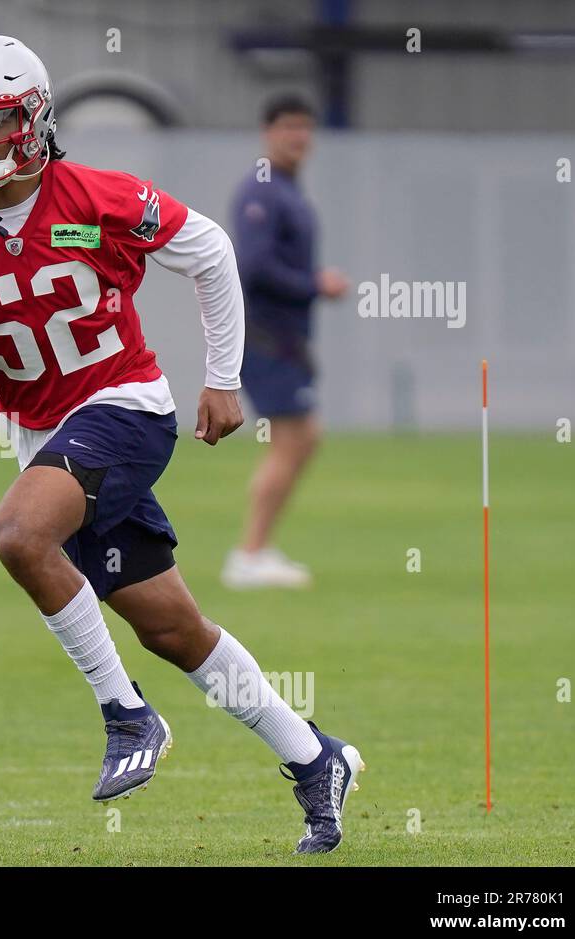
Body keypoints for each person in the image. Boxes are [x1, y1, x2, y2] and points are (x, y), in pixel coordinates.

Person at [0, 36, 362, 851]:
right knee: (171, 628)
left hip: (123, 406)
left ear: (34, 117)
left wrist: (222, 378)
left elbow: (213, 251)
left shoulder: (93, 196)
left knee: (18, 534)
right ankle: (315, 758)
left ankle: (127, 717)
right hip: (45, 437)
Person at [221, 94, 349, 590]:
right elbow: (253, 267)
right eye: (289, 126)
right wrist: (316, 284)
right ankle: (248, 555)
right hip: (265, 336)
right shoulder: (263, 191)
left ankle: (256, 550)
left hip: (287, 337)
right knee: (293, 439)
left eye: (306, 127)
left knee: (302, 438)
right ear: (267, 131)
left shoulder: (290, 189)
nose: (299, 136)